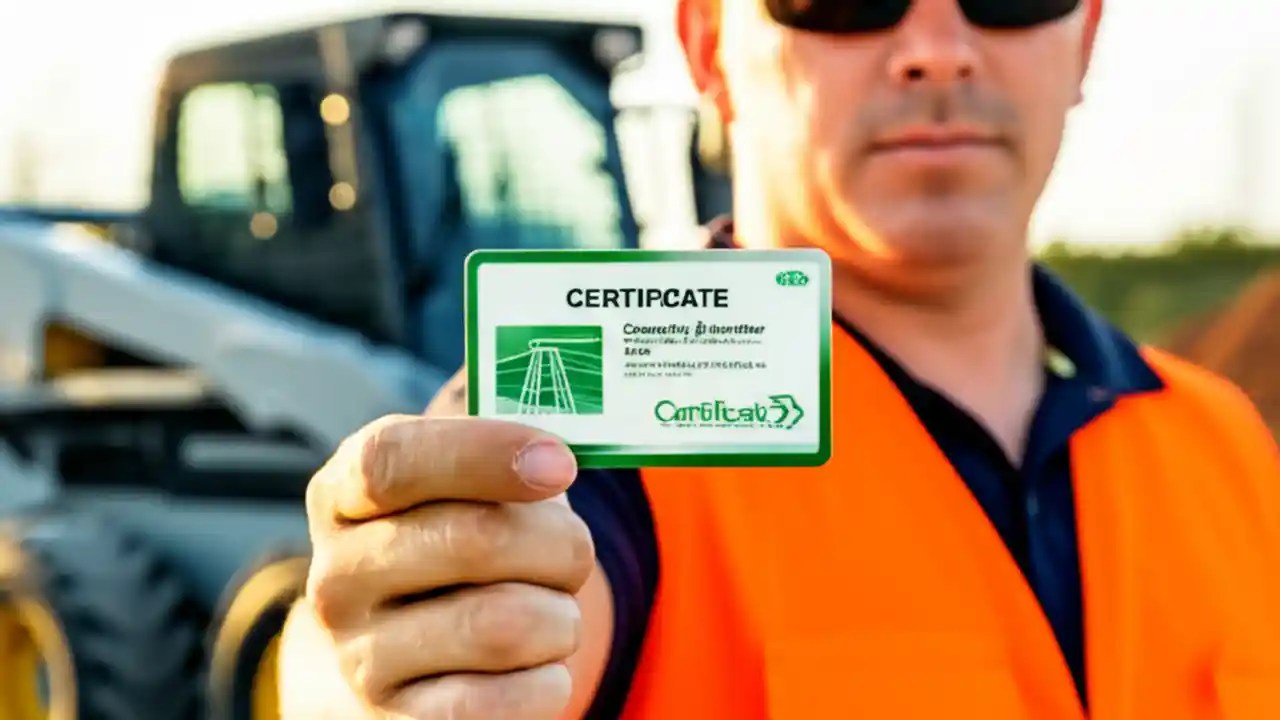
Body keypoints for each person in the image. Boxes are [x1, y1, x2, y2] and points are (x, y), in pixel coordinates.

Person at [280, 0, 1280, 717]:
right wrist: (372, 653)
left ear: (1086, 34)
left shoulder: (1220, 438)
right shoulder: (603, 404)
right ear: (708, 46)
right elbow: (454, 610)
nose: (935, 48)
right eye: (843, 1)